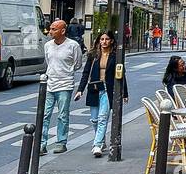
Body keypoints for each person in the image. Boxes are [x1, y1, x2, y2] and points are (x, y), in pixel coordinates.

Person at [75, 31, 128, 158]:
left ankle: (97, 145)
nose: (104, 42)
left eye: (107, 39)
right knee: (94, 120)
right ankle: (102, 141)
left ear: (111, 41)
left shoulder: (115, 56)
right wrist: (80, 90)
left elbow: (121, 74)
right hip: (94, 88)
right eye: (102, 39)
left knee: (103, 118)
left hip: (107, 90)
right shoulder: (93, 55)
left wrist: (124, 93)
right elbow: (85, 73)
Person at [41, 19, 84, 155]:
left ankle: (61, 142)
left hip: (65, 84)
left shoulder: (73, 46)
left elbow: (77, 64)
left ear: (63, 31)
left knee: (62, 115)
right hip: (49, 84)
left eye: (54, 29)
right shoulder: (48, 45)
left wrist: (67, 71)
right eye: (51, 28)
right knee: (44, 115)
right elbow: (49, 62)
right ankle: (41, 144)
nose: (50, 31)